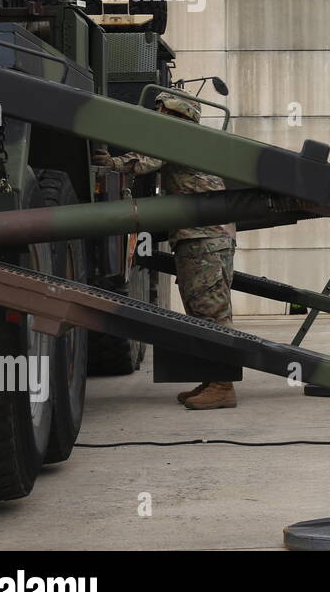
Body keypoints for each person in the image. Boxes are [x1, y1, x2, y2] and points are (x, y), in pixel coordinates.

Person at [93, 93, 238, 410]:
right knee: (200, 311)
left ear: (180, 115)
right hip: (197, 237)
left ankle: (223, 386)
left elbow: (145, 161)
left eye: (163, 109)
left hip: (206, 238)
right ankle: (211, 379)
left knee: (212, 311)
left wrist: (112, 162)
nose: (157, 113)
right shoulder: (187, 137)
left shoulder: (180, 137)